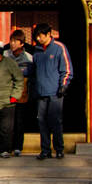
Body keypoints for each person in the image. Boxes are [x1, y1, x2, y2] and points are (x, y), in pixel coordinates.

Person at [32, 22, 72, 159]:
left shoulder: (59, 48)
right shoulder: (37, 50)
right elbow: (33, 70)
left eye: (40, 36)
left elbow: (66, 69)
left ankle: (59, 149)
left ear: (49, 34)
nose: (38, 39)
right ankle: (45, 150)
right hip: (41, 93)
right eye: (37, 36)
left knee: (55, 121)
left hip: (55, 92)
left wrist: (64, 85)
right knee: (41, 121)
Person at [5, 29, 35, 155]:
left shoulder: (28, 58)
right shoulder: (5, 55)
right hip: (7, 93)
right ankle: (6, 147)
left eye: (15, 41)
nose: (12, 44)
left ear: (22, 43)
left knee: (19, 121)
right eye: (11, 41)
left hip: (22, 94)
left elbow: (31, 75)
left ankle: (18, 147)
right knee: (7, 122)